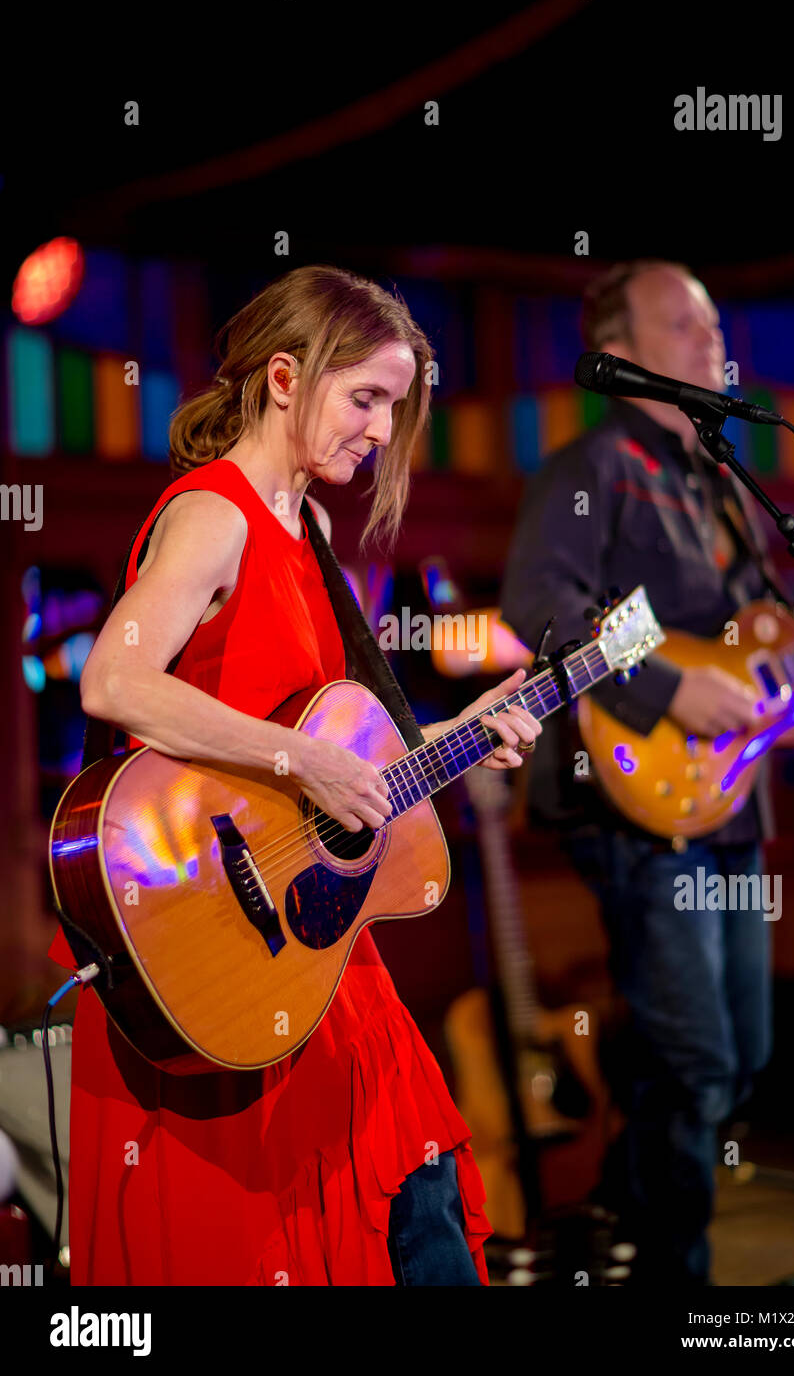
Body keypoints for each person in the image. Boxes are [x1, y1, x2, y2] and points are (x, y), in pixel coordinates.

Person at [48, 263, 541, 1287]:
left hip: (305, 936)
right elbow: (113, 678)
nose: (378, 427)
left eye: (393, 405)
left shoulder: (310, 531)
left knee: (417, 1203)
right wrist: (301, 758)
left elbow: (338, 753)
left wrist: (455, 730)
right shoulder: (214, 513)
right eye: (364, 397)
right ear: (283, 377)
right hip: (215, 932)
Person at [500, 260, 784, 1285]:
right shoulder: (589, 466)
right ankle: (674, 1277)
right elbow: (539, 603)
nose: (709, 342)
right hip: (632, 800)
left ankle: (616, 1210)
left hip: (728, 807)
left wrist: (773, 682)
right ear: (618, 355)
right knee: (695, 1058)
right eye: (680, 324)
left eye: (712, 324)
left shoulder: (720, 484)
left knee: (737, 1056)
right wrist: (668, 689)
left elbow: (760, 639)